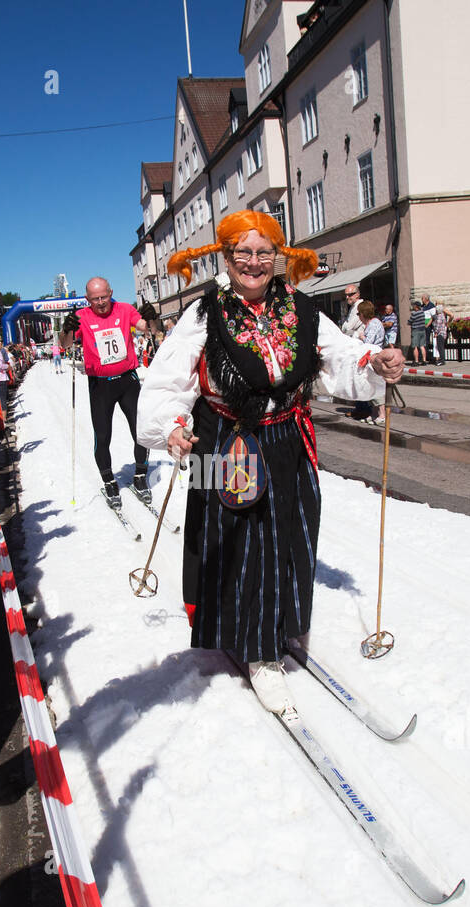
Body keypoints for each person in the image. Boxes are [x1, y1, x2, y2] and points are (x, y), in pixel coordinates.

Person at [137, 210, 404, 713]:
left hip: (289, 439)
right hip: (224, 442)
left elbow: (339, 358)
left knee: (293, 532)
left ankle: (283, 623)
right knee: (241, 542)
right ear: (226, 256)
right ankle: (259, 653)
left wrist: (374, 362)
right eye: (243, 252)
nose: (254, 262)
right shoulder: (204, 313)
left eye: (264, 252)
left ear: (278, 257)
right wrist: (171, 426)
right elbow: (166, 381)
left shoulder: (301, 309)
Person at [60, 277, 151, 507]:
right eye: (95, 299)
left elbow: (145, 327)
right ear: (87, 299)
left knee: (141, 430)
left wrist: (151, 318)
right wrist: (66, 329)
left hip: (128, 381)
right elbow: (65, 344)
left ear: (111, 292)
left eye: (104, 297)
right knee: (102, 436)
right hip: (100, 385)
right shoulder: (82, 316)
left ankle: (140, 476)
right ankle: (109, 480)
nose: (101, 302)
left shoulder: (124, 309)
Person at [353, 300, 386, 422]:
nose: (358, 317)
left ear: (363, 313)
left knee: (376, 385)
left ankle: (382, 414)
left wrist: (361, 337)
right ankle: (373, 413)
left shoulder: (374, 323)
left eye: (358, 314)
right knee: (369, 386)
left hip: (374, 357)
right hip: (368, 359)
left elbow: (369, 342)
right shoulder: (370, 324)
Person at [430, 298, 453, 367]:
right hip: (442, 330)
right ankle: (440, 359)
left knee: (440, 346)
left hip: (440, 331)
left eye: (436, 303)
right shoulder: (441, 314)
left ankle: (442, 360)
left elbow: (452, 315)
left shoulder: (442, 311)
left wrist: (448, 323)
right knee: (438, 346)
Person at [408, 298, 428, 364]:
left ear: (416, 306)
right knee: (422, 346)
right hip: (422, 330)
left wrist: (409, 322)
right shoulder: (422, 312)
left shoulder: (414, 313)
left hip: (416, 330)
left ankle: (416, 361)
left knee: (415, 346)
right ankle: (424, 360)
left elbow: (410, 321)